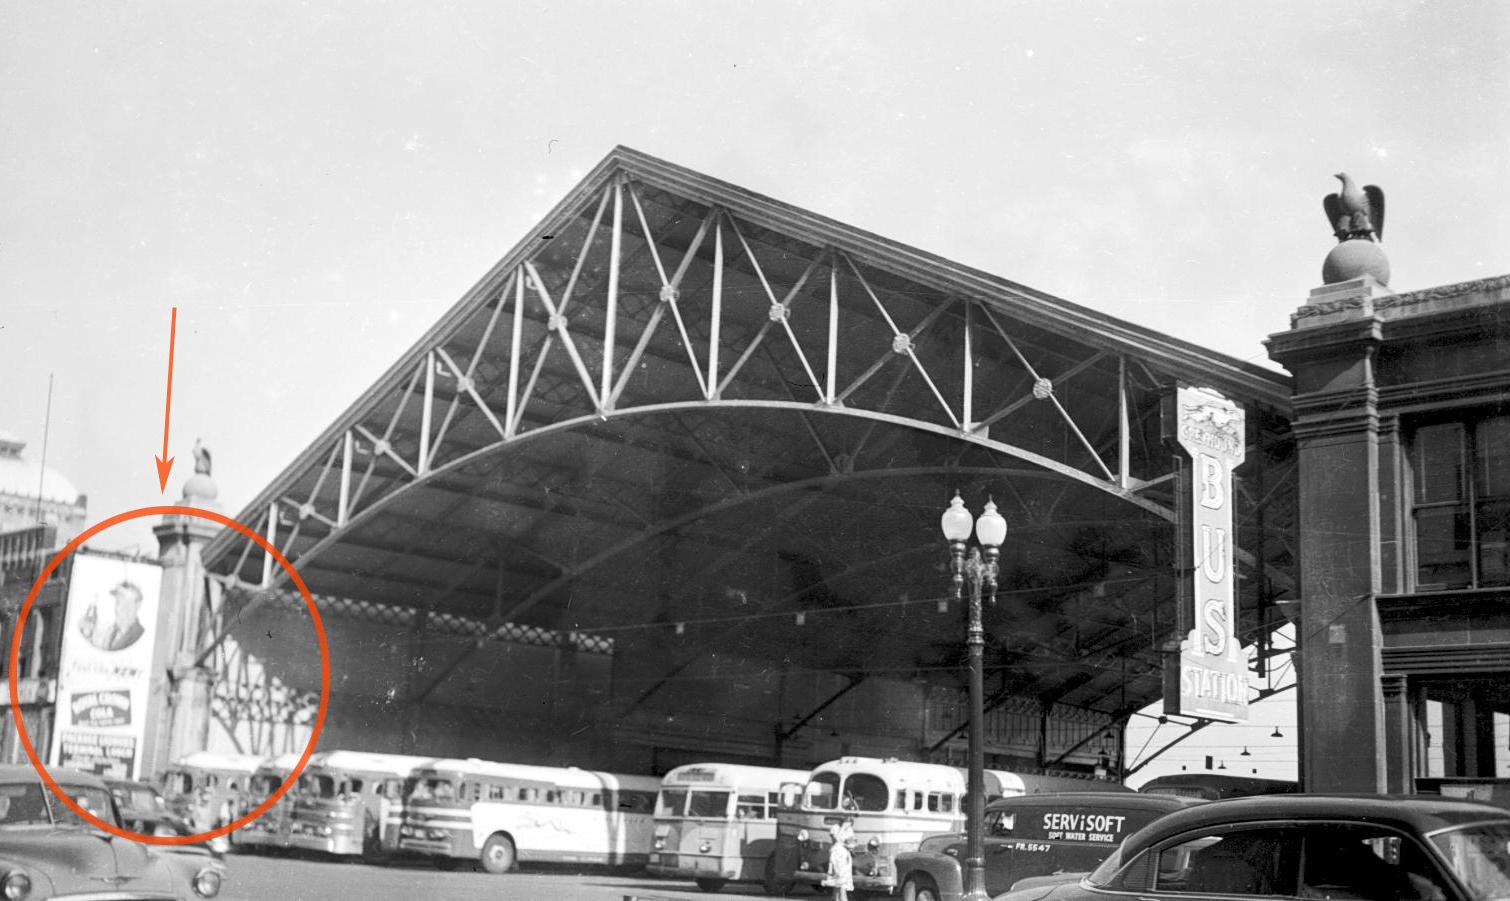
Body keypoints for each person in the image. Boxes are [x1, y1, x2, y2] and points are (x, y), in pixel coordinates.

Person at [78, 581, 146, 651]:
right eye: (118, 602)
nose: (120, 609)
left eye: (126, 603)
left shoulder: (140, 635)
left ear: (137, 606)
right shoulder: (109, 631)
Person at [823, 820, 855, 901]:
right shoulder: (835, 828)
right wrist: (843, 828)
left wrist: (847, 844)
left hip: (844, 857)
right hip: (836, 856)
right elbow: (836, 840)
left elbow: (851, 844)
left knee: (841, 885)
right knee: (838, 884)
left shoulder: (849, 830)